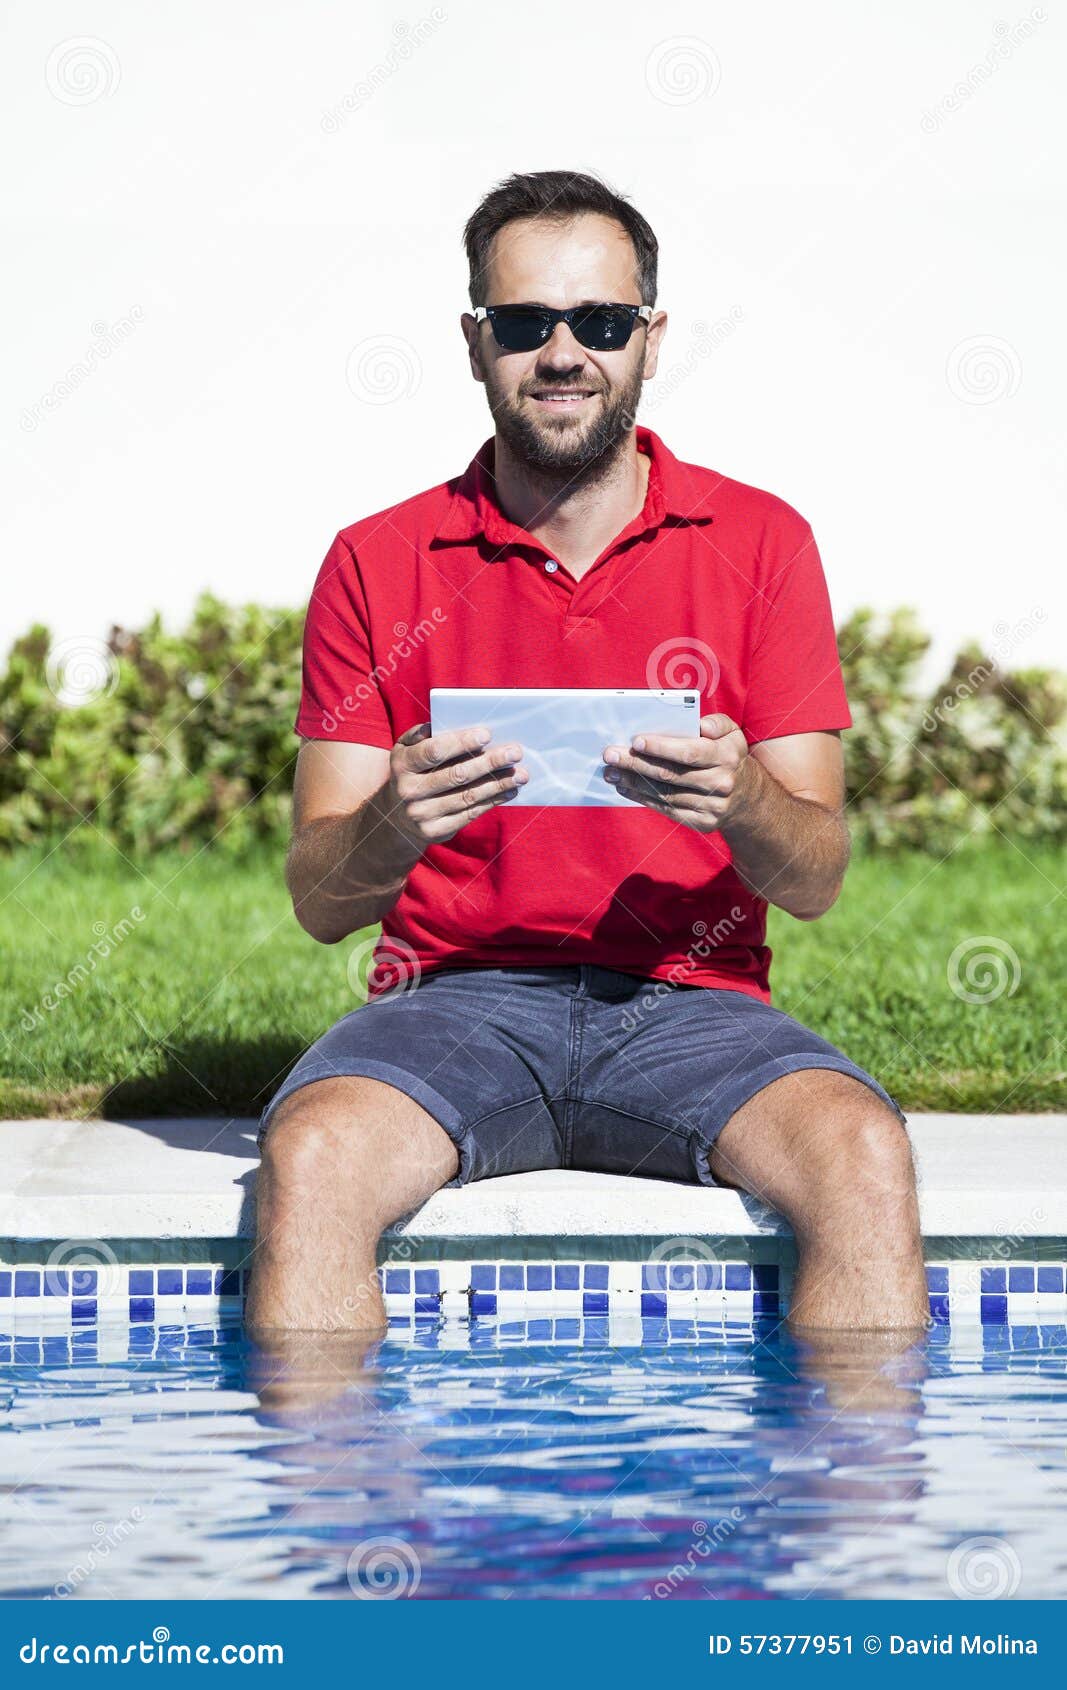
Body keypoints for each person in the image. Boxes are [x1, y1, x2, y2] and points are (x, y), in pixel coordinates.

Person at [246, 170, 927, 1337]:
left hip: (690, 999)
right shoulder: (378, 558)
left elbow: (813, 877)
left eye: (599, 323)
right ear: (474, 344)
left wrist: (746, 799)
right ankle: (337, 1516)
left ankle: (840, 1513)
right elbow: (319, 901)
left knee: (862, 1153)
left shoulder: (760, 542)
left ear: (649, 340)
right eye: (523, 325)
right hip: (450, 1002)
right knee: (311, 1156)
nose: (561, 352)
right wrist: (393, 823)